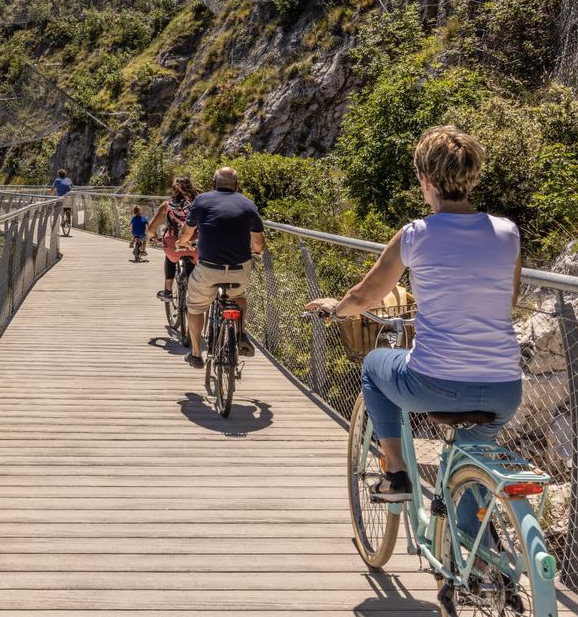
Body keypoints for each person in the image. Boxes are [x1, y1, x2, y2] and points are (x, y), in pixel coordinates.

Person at [304, 125, 523, 502]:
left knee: (374, 364)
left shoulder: (416, 234)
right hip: (504, 387)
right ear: (473, 177)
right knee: (470, 467)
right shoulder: (508, 232)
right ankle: (479, 555)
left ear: (425, 180)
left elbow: (365, 296)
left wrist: (336, 311)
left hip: (435, 381)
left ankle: (396, 473)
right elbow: (509, 300)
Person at [177, 167, 263, 368]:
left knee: (196, 307)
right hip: (239, 269)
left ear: (213, 184)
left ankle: (197, 353)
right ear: (236, 185)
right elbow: (258, 243)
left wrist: (183, 243)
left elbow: (186, 232)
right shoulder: (248, 204)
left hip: (208, 268)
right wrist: (256, 251)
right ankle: (240, 332)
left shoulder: (202, 201)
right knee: (238, 297)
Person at [145, 176, 199, 300]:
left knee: (170, 258)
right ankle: (195, 291)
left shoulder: (167, 205)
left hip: (173, 245)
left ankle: (168, 291)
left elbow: (151, 229)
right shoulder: (197, 204)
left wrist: (155, 237)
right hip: (195, 244)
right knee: (196, 260)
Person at [52, 169, 73, 236]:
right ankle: (69, 221)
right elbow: (71, 187)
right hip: (69, 197)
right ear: (65, 175)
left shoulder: (57, 180)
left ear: (59, 175)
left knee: (56, 210)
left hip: (60, 198)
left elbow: (52, 189)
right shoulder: (68, 180)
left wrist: (50, 194)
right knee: (68, 207)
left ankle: (55, 228)